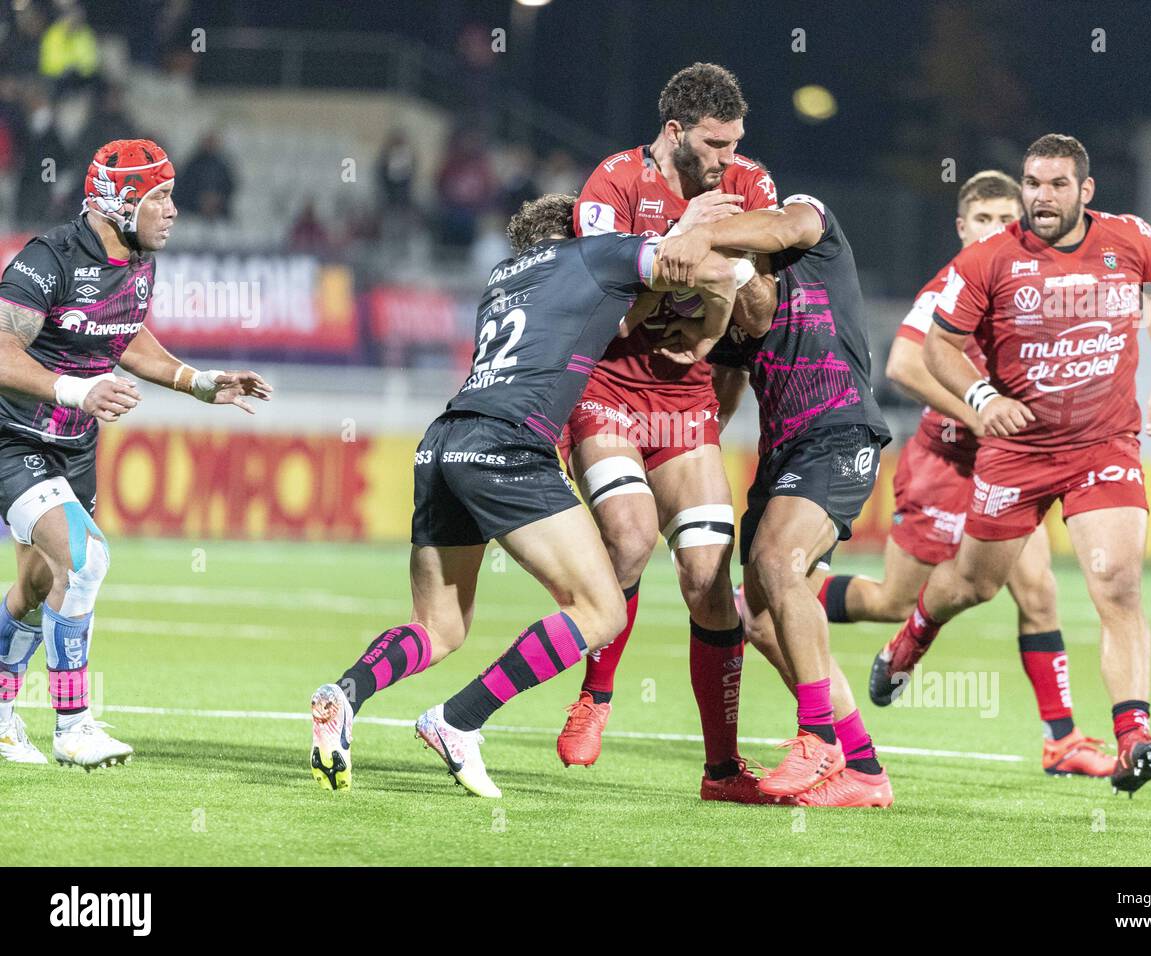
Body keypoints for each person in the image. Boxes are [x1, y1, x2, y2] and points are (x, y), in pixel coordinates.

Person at [307, 193, 739, 797]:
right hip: (508, 444)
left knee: (438, 627)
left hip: (442, 441)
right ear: (580, 230)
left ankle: (344, 695)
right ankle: (457, 721)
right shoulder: (590, 256)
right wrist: (696, 248)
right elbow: (709, 270)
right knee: (602, 610)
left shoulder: (502, 279)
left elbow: (605, 320)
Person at [873, 134, 1151, 796]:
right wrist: (983, 398)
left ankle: (1134, 736)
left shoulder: (1129, 239)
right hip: (1016, 454)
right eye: (1034, 184)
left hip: (1103, 444)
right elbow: (936, 346)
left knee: (1117, 581)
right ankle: (914, 636)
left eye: (1056, 184)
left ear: (1085, 190)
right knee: (974, 587)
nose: (1042, 197)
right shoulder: (990, 259)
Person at [785, 170, 1115, 778]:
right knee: (893, 600)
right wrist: (980, 414)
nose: (994, 231)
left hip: (1012, 467)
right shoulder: (952, 284)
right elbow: (904, 365)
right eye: (981, 220)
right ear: (962, 228)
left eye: (1003, 220)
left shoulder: (1032, 279)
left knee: (1039, 592)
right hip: (949, 463)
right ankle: (778, 596)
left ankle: (1062, 740)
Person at [0, 139, 272, 766]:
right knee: (88, 559)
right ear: (117, 203)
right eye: (159, 197)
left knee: (41, 586)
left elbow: (122, 329)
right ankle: (73, 726)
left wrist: (197, 383)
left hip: (75, 445)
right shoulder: (47, 261)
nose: (172, 210)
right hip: (14, 437)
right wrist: (77, 387)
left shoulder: (138, 259)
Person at [556, 63, 781, 805]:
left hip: (686, 401)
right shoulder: (614, 183)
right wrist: (681, 241)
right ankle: (596, 694)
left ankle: (722, 770)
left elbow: (760, 319)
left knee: (710, 581)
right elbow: (594, 300)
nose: (728, 159)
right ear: (676, 132)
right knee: (627, 538)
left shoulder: (749, 187)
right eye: (716, 144)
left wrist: (735, 261)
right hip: (609, 387)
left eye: (736, 142)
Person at [657, 193, 893, 805]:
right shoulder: (735, 315)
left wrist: (697, 234)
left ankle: (818, 737)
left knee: (776, 561)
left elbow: (785, 223)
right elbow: (725, 389)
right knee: (758, 615)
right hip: (783, 456)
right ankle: (863, 769)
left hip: (840, 431)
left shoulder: (809, 231)